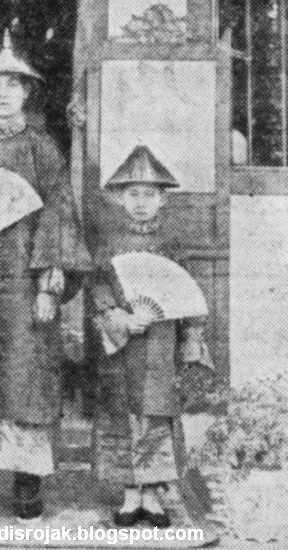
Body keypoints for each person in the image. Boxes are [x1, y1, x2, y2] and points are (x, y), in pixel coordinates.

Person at [0, 30, 92, 523]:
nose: (3, 92)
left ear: (27, 92)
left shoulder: (43, 150)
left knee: (26, 374)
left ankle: (27, 482)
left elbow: (60, 216)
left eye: (13, 84)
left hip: (26, 281)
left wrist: (52, 285)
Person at [88, 145, 214, 528]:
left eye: (149, 194)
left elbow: (189, 293)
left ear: (162, 198)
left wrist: (191, 336)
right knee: (121, 407)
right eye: (132, 194)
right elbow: (98, 286)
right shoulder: (108, 244)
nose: (141, 202)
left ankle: (154, 492)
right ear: (120, 197)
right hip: (121, 340)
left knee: (156, 409)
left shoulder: (173, 244)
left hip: (160, 340)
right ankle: (130, 491)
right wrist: (118, 316)